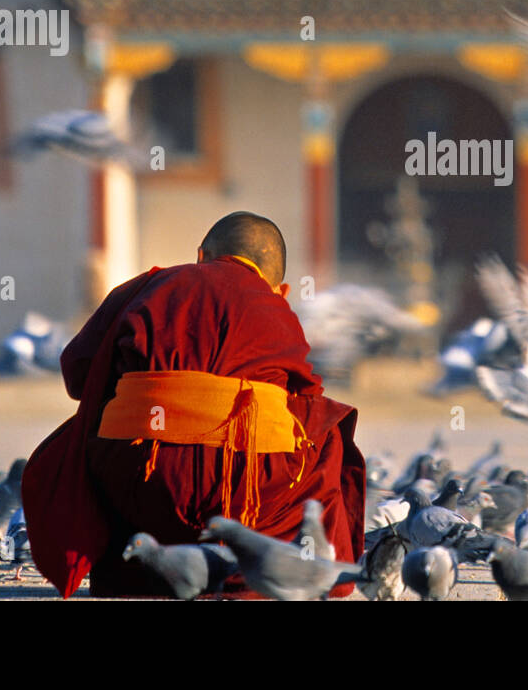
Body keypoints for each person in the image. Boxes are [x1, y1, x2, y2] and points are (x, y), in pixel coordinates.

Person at [21, 211, 366, 598]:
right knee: (325, 428)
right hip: (246, 488)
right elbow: (306, 393)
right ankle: (270, 575)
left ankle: (134, 571)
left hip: (139, 471)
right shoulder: (276, 308)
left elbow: (78, 374)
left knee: (91, 424)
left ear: (202, 255)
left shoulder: (151, 284)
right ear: (281, 289)